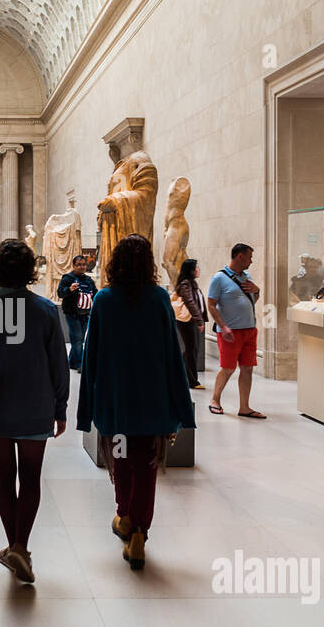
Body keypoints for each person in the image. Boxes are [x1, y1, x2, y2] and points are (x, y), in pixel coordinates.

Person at [78, 234, 195, 571]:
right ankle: (139, 531)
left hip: (116, 400)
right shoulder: (159, 298)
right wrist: (181, 405)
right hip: (150, 398)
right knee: (146, 465)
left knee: (121, 460)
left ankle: (125, 515)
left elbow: (92, 357)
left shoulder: (103, 299)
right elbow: (174, 355)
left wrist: (87, 407)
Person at [0, 239, 68, 584]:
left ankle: (13, 546)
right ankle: (21, 547)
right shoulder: (46, 310)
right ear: (29, 271)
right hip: (37, 405)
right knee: (32, 478)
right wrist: (61, 407)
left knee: (5, 479)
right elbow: (59, 366)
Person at [206, 243, 264, 418]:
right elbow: (211, 304)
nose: (251, 261)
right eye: (249, 257)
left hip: (249, 330)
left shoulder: (246, 277)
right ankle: (215, 400)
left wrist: (257, 290)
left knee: (247, 368)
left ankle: (244, 407)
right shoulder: (218, 278)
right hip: (230, 333)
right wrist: (223, 326)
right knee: (228, 368)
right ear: (240, 256)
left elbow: (252, 300)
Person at [57, 254, 98, 371]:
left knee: (79, 340)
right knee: (77, 339)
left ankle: (72, 362)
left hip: (85, 314)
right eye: (79, 265)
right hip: (72, 314)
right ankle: (80, 364)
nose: (82, 267)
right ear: (73, 266)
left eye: (83, 264)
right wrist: (69, 289)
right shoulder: (67, 278)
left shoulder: (89, 280)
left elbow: (95, 294)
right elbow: (60, 293)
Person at [174, 258, 207, 390]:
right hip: (187, 321)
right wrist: (199, 320)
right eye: (197, 267)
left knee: (190, 349)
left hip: (192, 321)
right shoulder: (185, 284)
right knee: (191, 350)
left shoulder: (192, 283)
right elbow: (190, 302)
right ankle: (192, 381)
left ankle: (178, 373)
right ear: (191, 270)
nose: (199, 270)